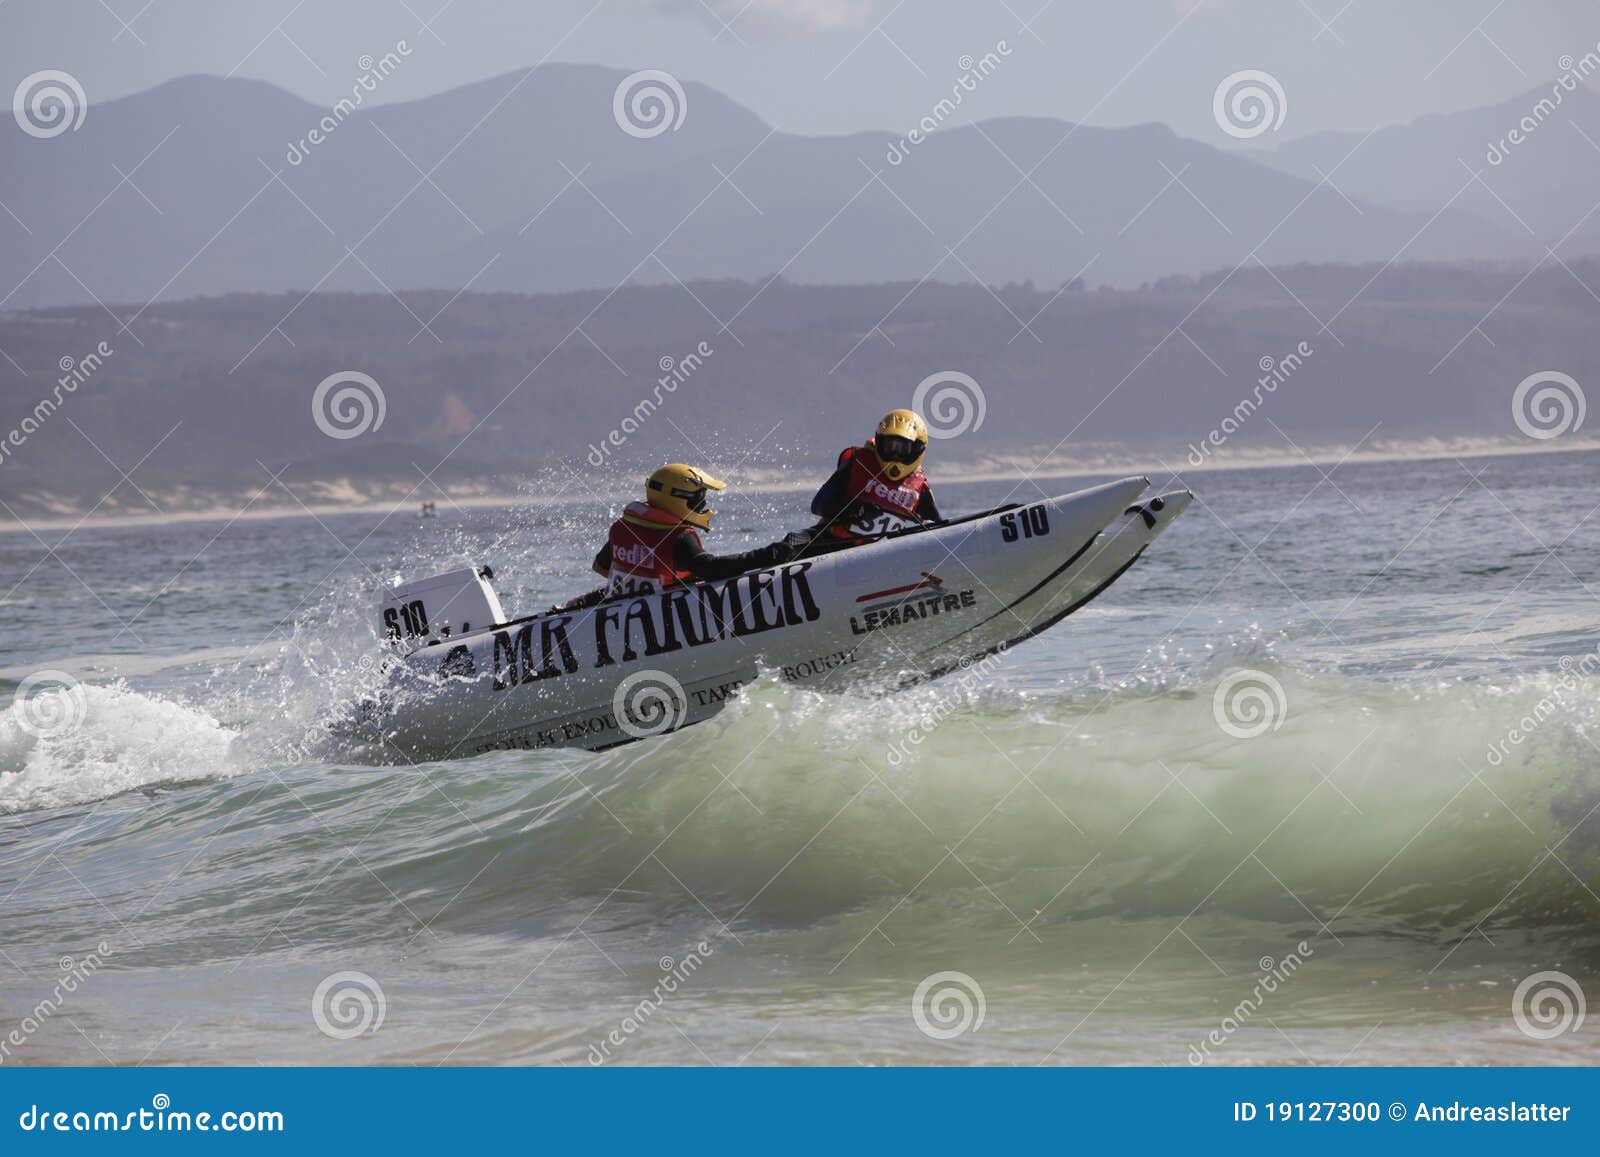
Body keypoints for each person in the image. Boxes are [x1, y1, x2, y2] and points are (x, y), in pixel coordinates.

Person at [582, 464, 786, 601]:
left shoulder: (622, 528)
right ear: (677, 499)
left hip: (622, 608)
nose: (703, 504)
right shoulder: (679, 538)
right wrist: (771, 554)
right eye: (698, 498)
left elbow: (600, 566)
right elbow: (711, 568)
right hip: (658, 616)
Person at [807, 408, 941, 544]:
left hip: (879, 554)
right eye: (889, 446)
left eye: (903, 448)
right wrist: (853, 509)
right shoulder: (857, 462)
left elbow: (938, 529)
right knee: (797, 541)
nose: (895, 454)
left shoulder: (920, 487)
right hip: (831, 544)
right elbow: (818, 505)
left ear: (917, 449)